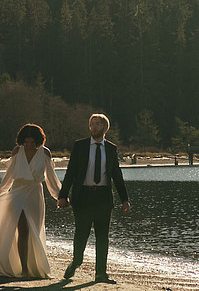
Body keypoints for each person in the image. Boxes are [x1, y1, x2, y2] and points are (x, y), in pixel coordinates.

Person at [0, 123, 62, 278]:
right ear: (21, 141)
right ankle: (24, 268)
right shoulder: (17, 152)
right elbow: (9, 176)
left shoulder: (45, 153)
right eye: (26, 142)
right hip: (17, 194)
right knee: (23, 230)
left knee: (34, 232)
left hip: (35, 194)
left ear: (38, 141)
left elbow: (51, 178)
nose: (29, 145)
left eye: (32, 143)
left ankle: (32, 266)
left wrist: (60, 196)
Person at [58, 113, 131, 284]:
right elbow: (70, 173)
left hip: (103, 197)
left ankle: (100, 274)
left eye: (98, 124)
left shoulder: (111, 148)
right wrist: (63, 195)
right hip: (82, 196)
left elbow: (117, 175)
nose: (94, 127)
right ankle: (76, 261)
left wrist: (124, 199)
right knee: (81, 233)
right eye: (92, 124)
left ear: (105, 128)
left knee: (102, 236)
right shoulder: (80, 146)